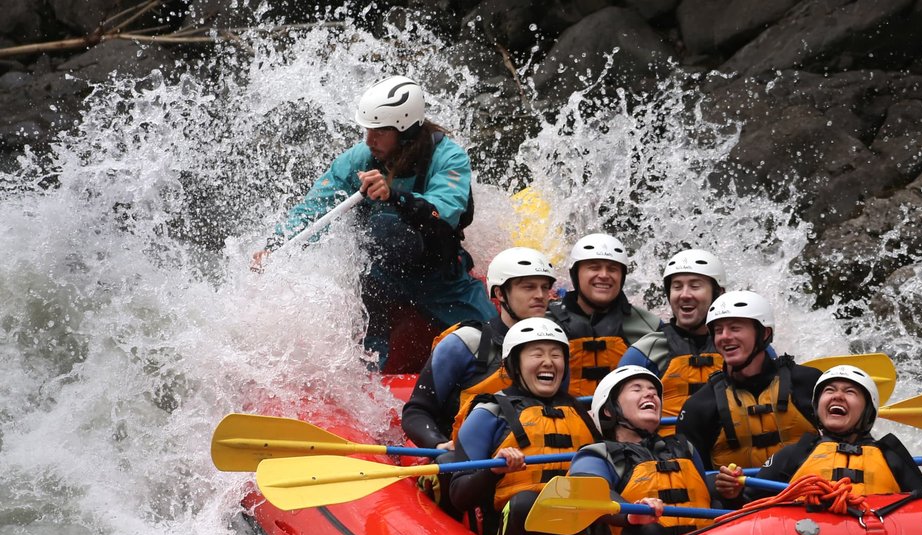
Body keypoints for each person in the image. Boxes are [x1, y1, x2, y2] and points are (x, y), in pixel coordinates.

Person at [253, 75, 496, 371]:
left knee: (495, 345)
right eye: (368, 130)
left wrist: (395, 196)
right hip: (380, 279)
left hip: (440, 276)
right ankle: (370, 366)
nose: (369, 140)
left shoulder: (448, 158)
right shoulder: (360, 158)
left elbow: (443, 213)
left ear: (405, 130)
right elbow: (314, 207)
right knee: (381, 237)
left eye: (380, 132)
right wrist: (276, 247)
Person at [446, 317, 600, 535]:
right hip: (511, 534)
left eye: (556, 355)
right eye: (537, 354)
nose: (548, 362)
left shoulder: (582, 413)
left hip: (576, 522)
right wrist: (494, 471)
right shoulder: (488, 413)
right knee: (527, 504)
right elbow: (459, 494)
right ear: (515, 364)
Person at [401, 247, 556, 448]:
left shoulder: (555, 347)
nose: (540, 295)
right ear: (500, 293)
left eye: (545, 287)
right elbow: (416, 412)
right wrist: (439, 445)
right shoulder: (465, 343)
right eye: (529, 287)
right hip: (469, 459)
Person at [716, 365, 922, 501]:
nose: (838, 396)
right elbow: (748, 506)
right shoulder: (794, 454)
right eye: (829, 391)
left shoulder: (891, 455)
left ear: (867, 411)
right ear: (817, 408)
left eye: (850, 392)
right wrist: (733, 493)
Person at [568, 366, 717, 535]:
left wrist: (731, 493)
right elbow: (587, 492)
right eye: (637, 389)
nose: (650, 394)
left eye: (653, 391)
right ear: (608, 410)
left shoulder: (684, 448)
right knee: (647, 531)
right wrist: (631, 515)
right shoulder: (595, 455)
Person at [676, 291, 821, 470]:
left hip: (809, 487)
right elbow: (692, 477)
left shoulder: (808, 383)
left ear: (764, 333)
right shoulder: (699, 407)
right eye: (718, 331)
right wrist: (718, 483)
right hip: (737, 490)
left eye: (735, 328)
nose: (724, 336)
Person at [619, 249, 725, 429]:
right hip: (667, 445)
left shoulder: (740, 346)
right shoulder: (644, 352)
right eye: (677, 287)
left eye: (695, 286)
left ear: (718, 293)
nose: (684, 294)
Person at [547, 232, 662, 397]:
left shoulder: (650, 326)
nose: (604, 275)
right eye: (594, 267)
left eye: (612, 269)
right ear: (575, 274)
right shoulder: (546, 324)